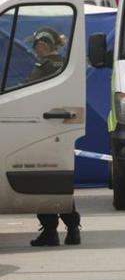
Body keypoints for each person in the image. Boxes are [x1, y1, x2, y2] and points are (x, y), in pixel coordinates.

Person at [27, 27, 82, 247]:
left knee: (40, 183)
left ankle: (50, 231)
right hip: (59, 130)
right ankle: (72, 229)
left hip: (41, 129)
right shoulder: (65, 64)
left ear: (45, 45)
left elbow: (28, 92)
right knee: (59, 183)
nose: (36, 48)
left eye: (38, 45)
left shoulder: (45, 67)